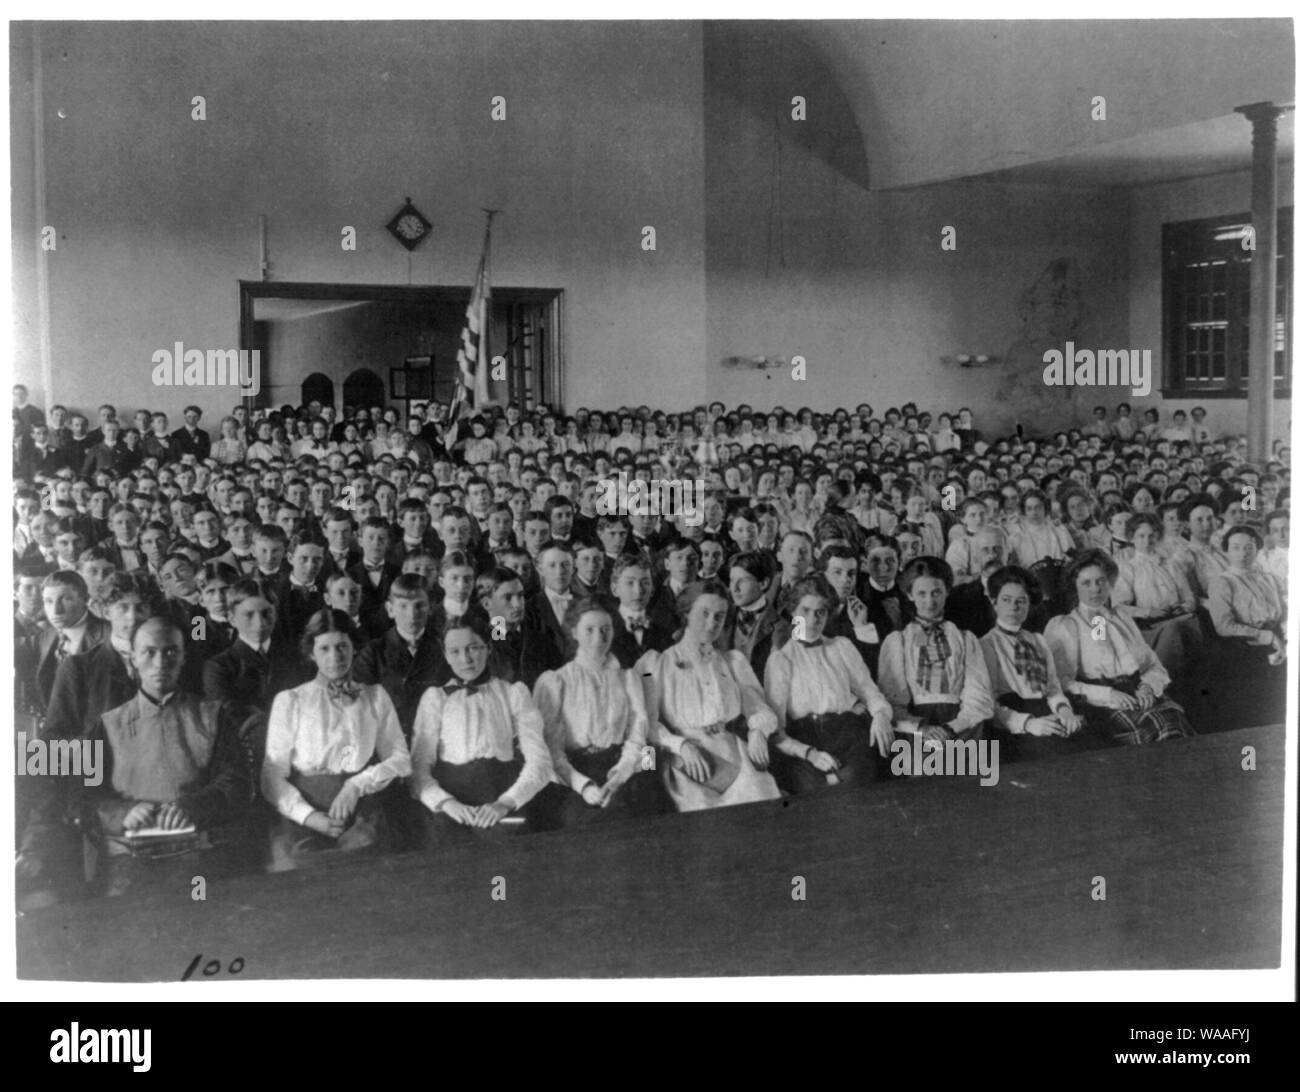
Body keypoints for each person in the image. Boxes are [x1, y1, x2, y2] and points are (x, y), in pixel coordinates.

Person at [261, 609, 411, 869]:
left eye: (342, 647)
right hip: (305, 809)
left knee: (366, 856)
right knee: (300, 864)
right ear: (311, 653)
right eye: (325, 649)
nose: (335, 657)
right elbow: (272, 774)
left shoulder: (375, 696)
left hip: (362, 806)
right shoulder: (291, 700)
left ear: (354, 648)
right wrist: (308, 816)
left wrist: (355, 786)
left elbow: (401, 759)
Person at [639, 580, 782, 812]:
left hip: (735, 754)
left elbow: (758, 707)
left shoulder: (732, 661)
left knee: (760, 803)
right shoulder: (657, 663)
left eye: (720, 616)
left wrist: (758, 731)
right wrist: (681, 745)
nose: (711, 623)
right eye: (704, 613)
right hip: (686, 761)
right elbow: (645, 723)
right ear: (687, 613)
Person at [409, 614, 554, 838]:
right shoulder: (435, 698)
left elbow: (540, 763)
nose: (465, 659)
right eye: (455, 651)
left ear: (488, 648)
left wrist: (505, 803)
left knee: (505, 850)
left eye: (473, 648)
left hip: (501, 794)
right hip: (451, 801)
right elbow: (419, 768)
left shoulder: (513, 693)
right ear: (446, 656)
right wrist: (446, 803)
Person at [532, 598, 669, 825]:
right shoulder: (555, 681)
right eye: (589, 630)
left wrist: (619, 777)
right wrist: (583, 786)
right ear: (574, 632)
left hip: (625, 765)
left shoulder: (628, 678)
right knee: (583, 820)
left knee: (648, 806)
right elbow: (552, 749)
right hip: (575, 772)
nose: (599, 637)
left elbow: (638, 735)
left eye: (606, 629)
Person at [1044, 549, 1193, 745]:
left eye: (1101, 581)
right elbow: (1061, 682)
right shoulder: (1066, 626)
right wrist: (1108, 694)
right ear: (1075, 586)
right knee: (1161, 724)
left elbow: (1152, 664)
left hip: (1140, 693)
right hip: (1102, 704)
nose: (1095, 589)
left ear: (1110, 582)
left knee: (1174, 721)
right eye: (1086, 583)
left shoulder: (1122, 618)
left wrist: (1148, 686)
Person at [763, 575, 894, 792]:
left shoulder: (842, 647)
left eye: (820, 612)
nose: (813, 619)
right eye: (805, 611)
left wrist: (880, 715)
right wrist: (809, 753)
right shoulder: (781, 659)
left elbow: (870, 692)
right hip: (804, 741)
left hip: (849, 735)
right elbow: (776, 730)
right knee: (818, 790)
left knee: (854, 781)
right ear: (793, 612)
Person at [978, 566, 1097, 761]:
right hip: (1013, 724)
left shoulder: (1037, 641)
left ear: (1029, 605)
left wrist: (1065, 711)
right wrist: (1029, 724)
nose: (1013, 607)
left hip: (1046, 711)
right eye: (1006, 600)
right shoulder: (987, 645)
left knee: (1091, 745)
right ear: (994, 603)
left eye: (1021, 601)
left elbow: (1052, 688)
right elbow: (989, 703)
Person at [878, 557, 994, 745]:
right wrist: (921, 728)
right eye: (921, 593)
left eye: (936, 592)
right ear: (909, 595)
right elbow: (891, 701)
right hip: (915, 730)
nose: (929, 601)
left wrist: (952, 727)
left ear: (947, 592)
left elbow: (978, 695)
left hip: (962, 727)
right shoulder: (898, 641)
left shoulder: (965, 638)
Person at [1205, 526, 1287, 726]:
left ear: (1257, 549)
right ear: (1227, 551)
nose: (1243, 553)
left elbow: (1284, 614)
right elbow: (1224, 626)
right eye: (1236, 548)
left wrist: (1285, 640)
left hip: (1278, 638)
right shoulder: (1222, 582)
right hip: (1243, 646)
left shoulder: (1269, 578)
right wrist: (1266, 637)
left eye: (1249, 548)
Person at [1111, 513, 1202, 682]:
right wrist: (1148, 612)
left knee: (1182, 627)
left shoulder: (1170, 564)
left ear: (1158, 536)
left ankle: (1190, 682)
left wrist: (1184, 607)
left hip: (1180, 618)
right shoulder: (1128, 568)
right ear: (1132, 538)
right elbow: (1119, 607)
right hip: (1150, 627)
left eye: (1151, 535)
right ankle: (1166, 683)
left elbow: (1189, 597)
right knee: (1172, 631)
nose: (1147, 541)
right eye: (1141, 536)